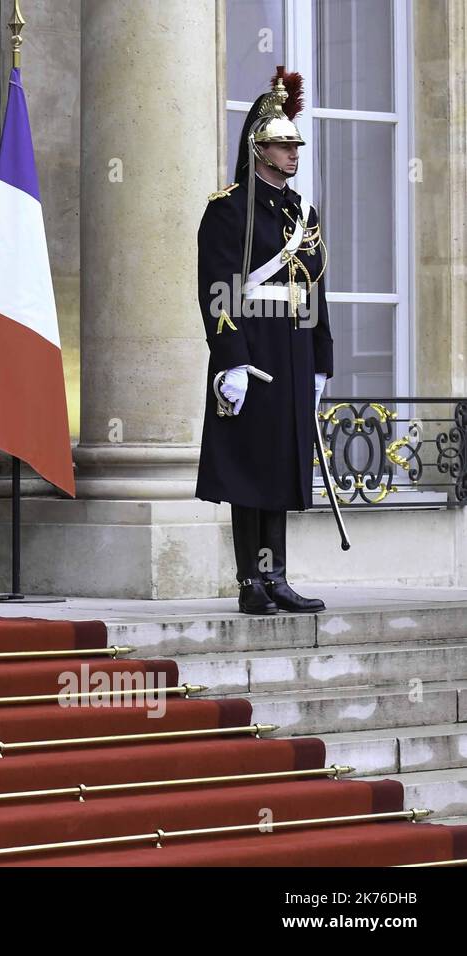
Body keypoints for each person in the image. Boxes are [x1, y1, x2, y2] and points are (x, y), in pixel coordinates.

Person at [196, 69, 333, 616]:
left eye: (295, 143)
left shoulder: (301, 212)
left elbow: (315, 290)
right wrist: (230, 359)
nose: (292, 151)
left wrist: (322, 360)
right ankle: (249, 582)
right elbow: (218, 288)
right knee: (249, 466)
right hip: (251, 346)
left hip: (294, 348)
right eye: (281, 143)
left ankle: (275, 575)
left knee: (281, 464)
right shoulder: (228, 208)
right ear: (258, 147)